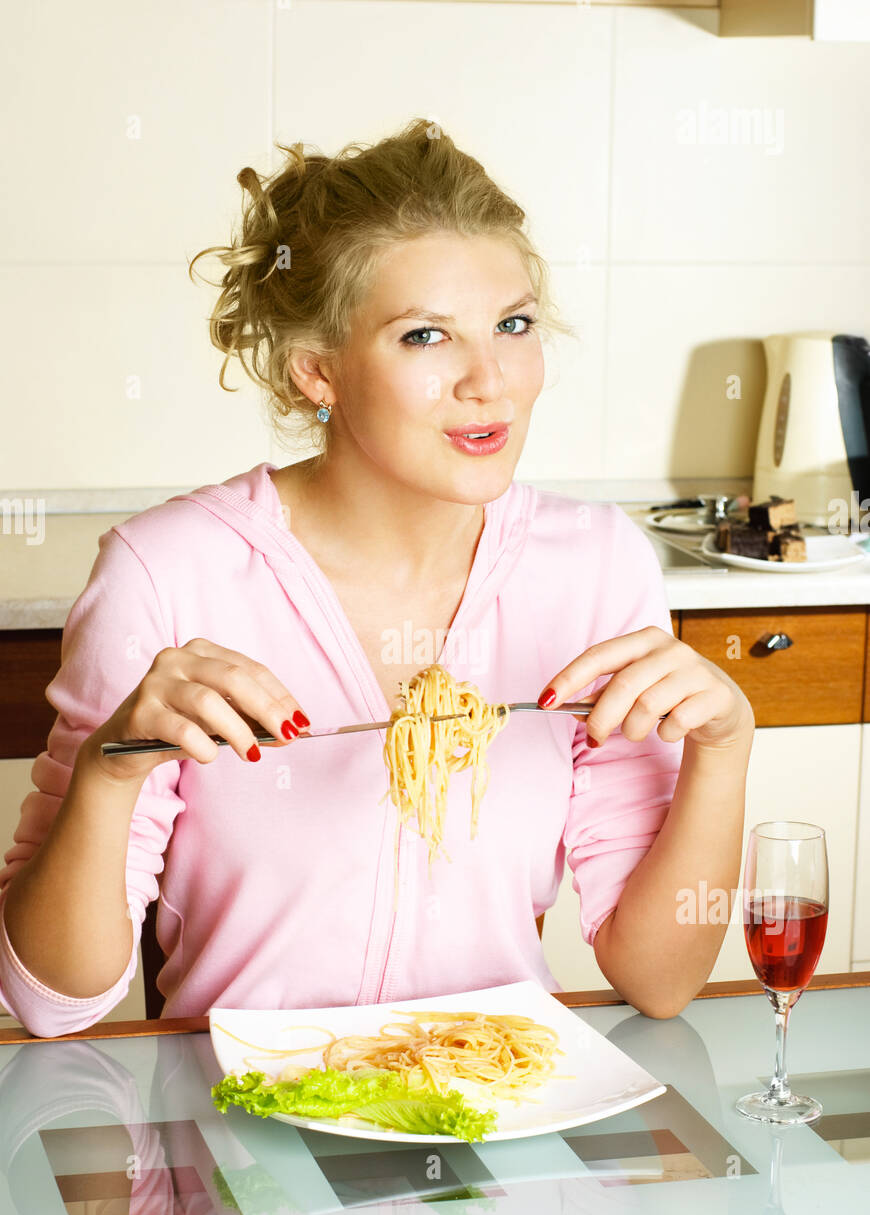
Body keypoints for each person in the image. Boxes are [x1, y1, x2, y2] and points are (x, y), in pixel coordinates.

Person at [0, 118, 754, 1039]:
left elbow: (661, 981)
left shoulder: (597, 568)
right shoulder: (168, 572)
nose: (492, 381)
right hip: (242, 1145)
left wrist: (726, 746)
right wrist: (110, 778)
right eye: (426, 336)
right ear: (318, 372)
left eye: (513, 326)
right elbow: (50, 1006)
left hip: (494, 1121)